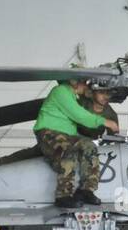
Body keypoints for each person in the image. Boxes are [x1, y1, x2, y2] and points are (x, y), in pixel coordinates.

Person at [33, 78, 118, 208]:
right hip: (49, 132)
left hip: (67, 136)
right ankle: (63, 195)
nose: (86, 87)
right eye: (85, 83)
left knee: (89, 146)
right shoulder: (61, 92)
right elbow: (80, 116)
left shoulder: (73, 96)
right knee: (69, 150)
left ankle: (86, 190)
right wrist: (105, 122)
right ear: (75, 82)